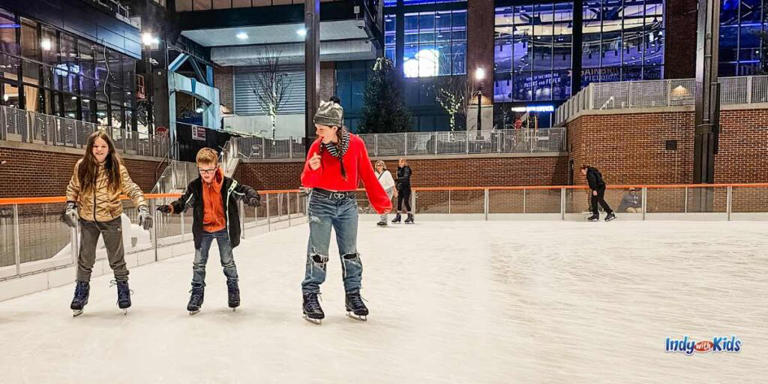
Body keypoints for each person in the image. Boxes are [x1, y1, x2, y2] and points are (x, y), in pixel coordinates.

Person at [300, 98, 392, 324]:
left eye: (321, 128)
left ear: (335, 127)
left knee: (350, 252)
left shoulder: (357, 144)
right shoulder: (317, 147)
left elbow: (368, 175)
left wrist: (380, 201)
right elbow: (306, 181)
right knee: (318, 252)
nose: (317, 132)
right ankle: (310, 295)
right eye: (316, 128)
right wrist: (312, 169)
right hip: (321, 202)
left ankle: (353, 295)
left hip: (348, 204)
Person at [156, 148, 261, 315]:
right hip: (203, 231)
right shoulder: (195, 186)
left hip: (223, 230)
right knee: (198, 264)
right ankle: (197, 294)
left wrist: (252, 197)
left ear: (216, 167)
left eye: (209, 170)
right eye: (202, 170)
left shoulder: (228, 184)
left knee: (228, 262)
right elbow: (184, 202)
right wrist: (170, 208)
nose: (205, 174)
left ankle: (233, 288)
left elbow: (243, 190)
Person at [63, 131, 153, 316]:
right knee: (85, 259)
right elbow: (73, 187)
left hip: (111, 219)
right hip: (88, 220)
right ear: (90, 148)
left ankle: (123, 290)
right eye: (95, 146)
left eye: (103, 146)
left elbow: (132, 189)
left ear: (109, 148)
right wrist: (70, 206)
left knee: (116, 258)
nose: (99, 150)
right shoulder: (82, 166)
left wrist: (142, 208)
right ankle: (81, 293)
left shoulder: (117, 168)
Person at [374, 160, 397, 226]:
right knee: (381, 206)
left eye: (380, 165)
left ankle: (383, 220)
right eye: (377, 165)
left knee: (385, 205)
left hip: (388, 190)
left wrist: (395, 190)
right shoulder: (375, 173)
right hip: (381, 191)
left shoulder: (387, 173)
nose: (379, 167)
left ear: (383, 166)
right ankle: (383, 220)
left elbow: (392, 182)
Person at [393, 158, 414, 224]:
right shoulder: (399, 169)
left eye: (402, 162)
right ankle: (398, 216)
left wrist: (398, 179)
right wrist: (396, 187)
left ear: (404, 162)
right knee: (399, 202)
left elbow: (406, 178)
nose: (400, 163)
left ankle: (410, 216)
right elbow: (398, 180)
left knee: (406, 201)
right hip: (401, 188)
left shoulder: (406, 169)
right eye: (399, 162)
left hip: (406, 188)